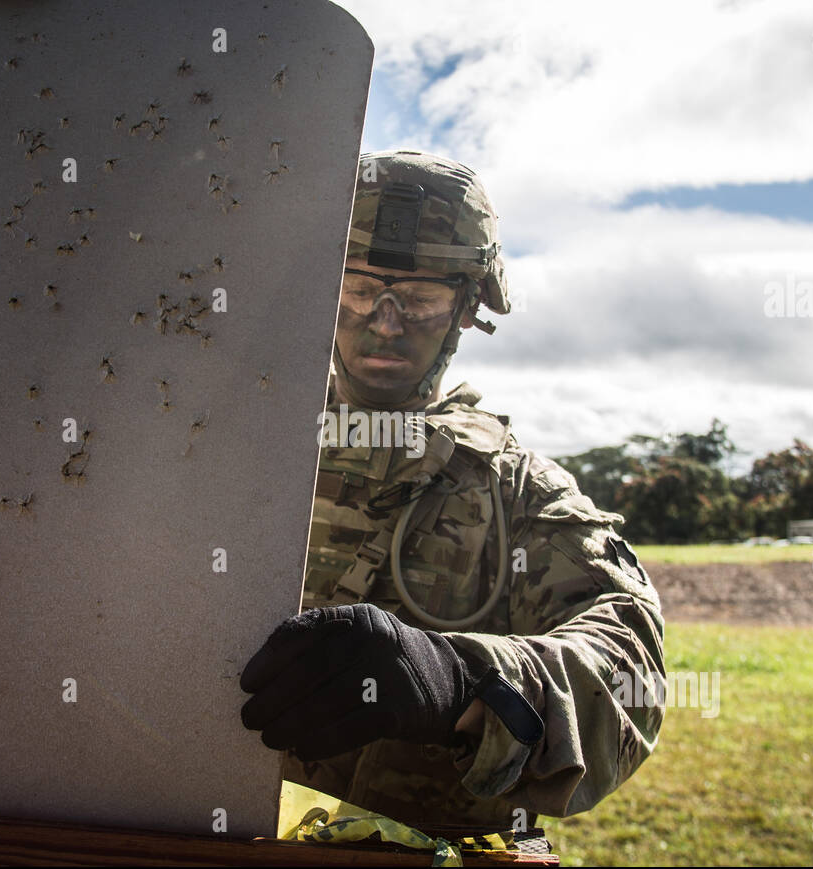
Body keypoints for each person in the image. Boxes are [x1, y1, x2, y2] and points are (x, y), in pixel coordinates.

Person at [239, 150, 666, 833]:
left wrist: (460, 681)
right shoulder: (229, 451)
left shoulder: (519, 491)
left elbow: (631, 672)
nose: (385, 320)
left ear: (468, 308)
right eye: (358, 287)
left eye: (419, 296)